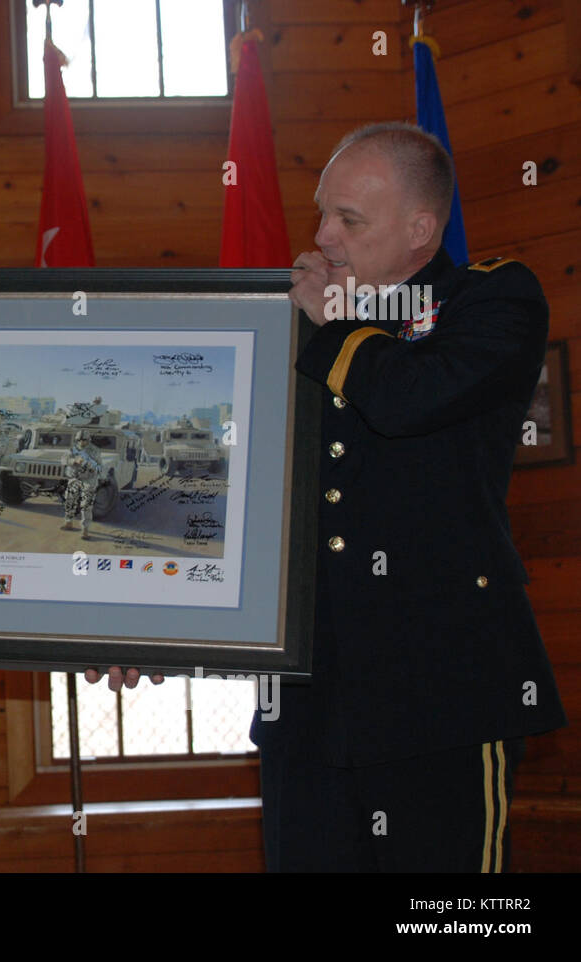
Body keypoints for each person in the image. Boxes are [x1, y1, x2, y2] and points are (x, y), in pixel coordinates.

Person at [91, 122, 567, 872]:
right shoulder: (286, 327)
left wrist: (325, 326)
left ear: (421, 229)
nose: (322, 235)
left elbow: (410, 397)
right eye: (322, 213)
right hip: (308, 714)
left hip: (441, 704)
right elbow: (236, 505)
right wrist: (158, 633)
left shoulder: (493, 299)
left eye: (350, 218)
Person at [60, 429, 99, 538]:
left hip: (89, 479)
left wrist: (88, 464)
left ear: (89, 440)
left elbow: (99, 466)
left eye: (84, 440)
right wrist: (74, 461)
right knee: (70, 500)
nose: (81, 442)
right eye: (79, 440)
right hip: (74, 478)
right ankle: (68, 522)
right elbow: (63, 460)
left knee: (86, 505)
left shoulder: (94, 450)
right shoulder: (72, 449)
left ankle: (85, 529)